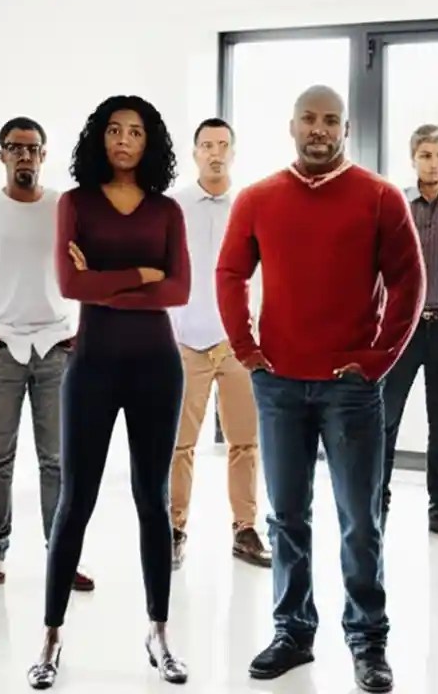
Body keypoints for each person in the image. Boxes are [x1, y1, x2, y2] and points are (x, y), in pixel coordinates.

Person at [217, 85, 425, 694]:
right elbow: (230, 272)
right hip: (279, 384)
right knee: (286, 516)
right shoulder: (257, 198)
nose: (319, 129)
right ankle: (292, 632)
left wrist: (378, 358)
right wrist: (246, 347)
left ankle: (367, 640)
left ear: (345, 128)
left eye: (330, 121)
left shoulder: (381, 197)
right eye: (309, 119)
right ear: (291, 126)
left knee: (360, 519)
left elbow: (408, 282)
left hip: (351, 389)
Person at [27, 95, 191, 689]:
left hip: (157, 366)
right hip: (92, 365)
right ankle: (50, 636)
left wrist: (107, 281)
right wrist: (140, 274)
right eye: (115, 130)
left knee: (153, 500)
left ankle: (159, 631)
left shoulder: (167, 210)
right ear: (99, 138)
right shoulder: (75, 203)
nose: (124, 140)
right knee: (76, 502)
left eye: (136, 132)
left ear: (151, 144)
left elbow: (178, 291)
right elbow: (71, 282)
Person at [0, 117, 95, 597]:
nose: (24, 157)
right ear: (2, 155)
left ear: (44, 155)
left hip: (56, 346)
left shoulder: (63, 207)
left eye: (33, 149)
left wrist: (82, 328)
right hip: (0, 349)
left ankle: (62, 553)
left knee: (57, 460)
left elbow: (92, 266)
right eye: (15, 148)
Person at [168, 117, 270, 569]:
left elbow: (268, 270)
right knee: (178, 443)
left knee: (245, 442)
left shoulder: (249, 205)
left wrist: (260, 330)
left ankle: (245, 529)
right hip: (185, 340)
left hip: (237, 342)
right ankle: (173, 528)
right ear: (194, 153)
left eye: (223, 145)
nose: (215, 152)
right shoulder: (173, 207)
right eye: (206, 145)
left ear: (233, 152)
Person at [381, 123, 438, 542]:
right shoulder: (395, 203)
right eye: (425, 155)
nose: (433, 163)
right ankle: (374, 502)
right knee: (386, 418)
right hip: (402, 327)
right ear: (413, 158)